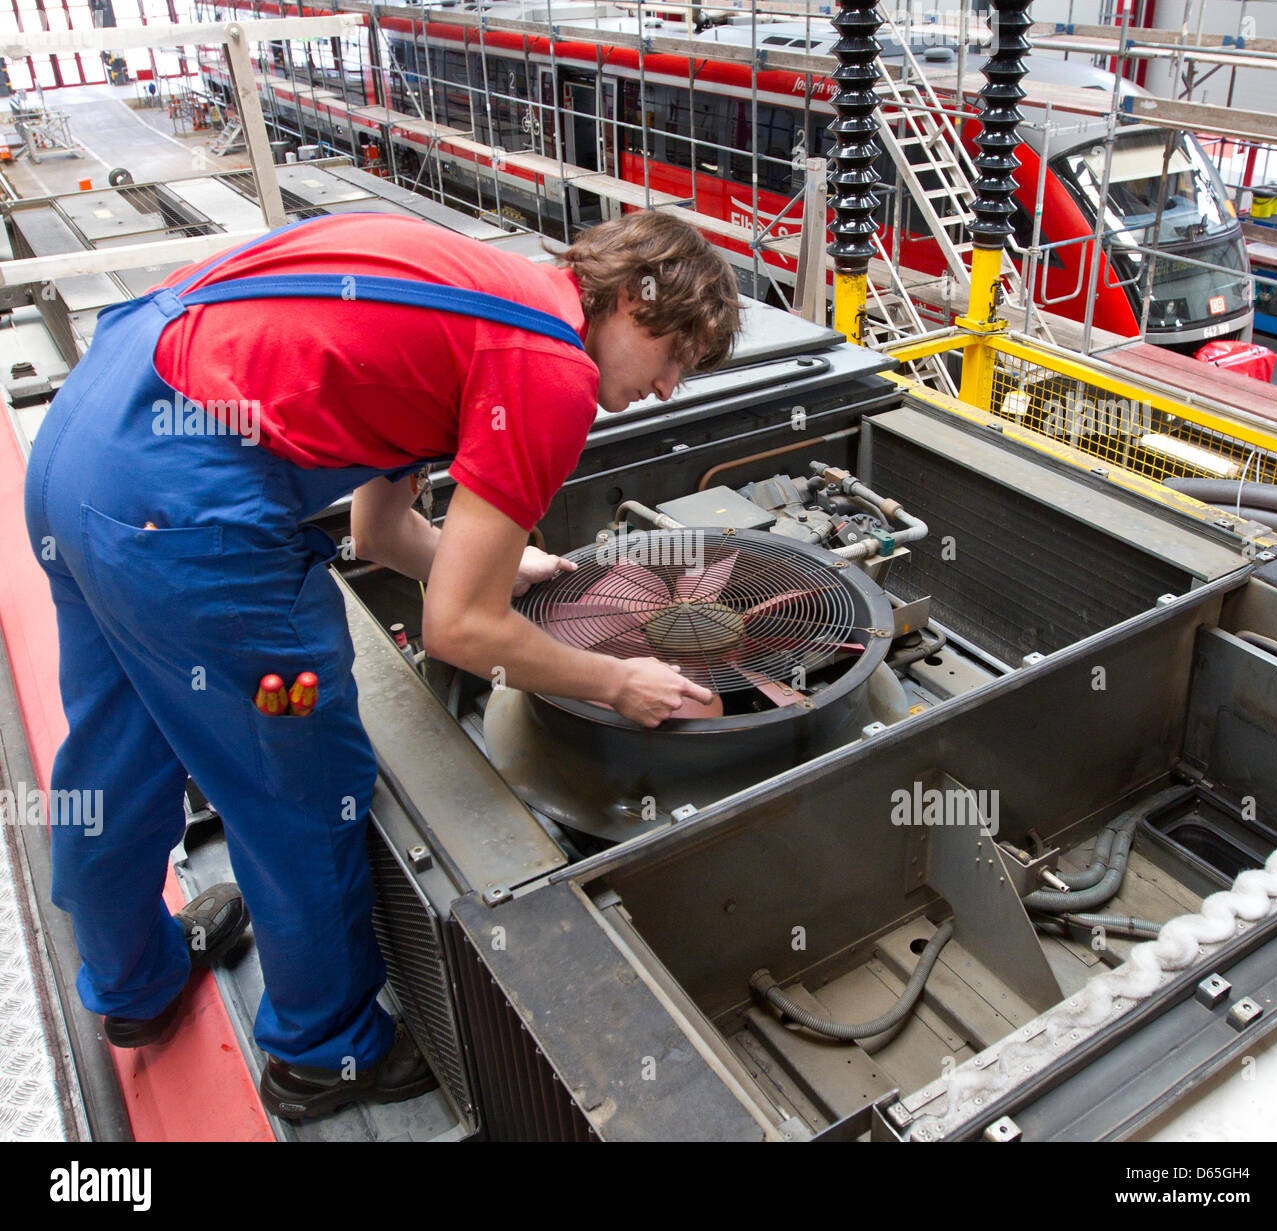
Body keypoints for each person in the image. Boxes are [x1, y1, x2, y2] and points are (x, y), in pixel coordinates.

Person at [24, 208, 741, 1122]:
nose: (673, 387)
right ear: (639, 308)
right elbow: (460, 635)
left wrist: (486, 557)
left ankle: (131, 981)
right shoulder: (553, 370)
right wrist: (617, 680)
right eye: (678, 357)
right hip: (184, 516)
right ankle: (323, 1053)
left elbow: (377, 528)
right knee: (299, 780)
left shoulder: (485, 288)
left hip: (83, 445)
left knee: (120, 742)